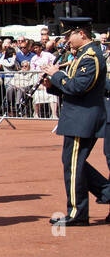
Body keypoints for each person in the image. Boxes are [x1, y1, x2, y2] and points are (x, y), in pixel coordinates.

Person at [41, 18, 108, 226]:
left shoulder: (91, 57)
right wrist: (51, 83)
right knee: (72, 163)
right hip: (77, 116)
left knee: (73, 165)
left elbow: (78, 87)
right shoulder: (81, 56)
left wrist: (57, 75)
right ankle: (105, 191)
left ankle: (77, 212)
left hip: (83, 117)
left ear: (82, 33)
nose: (67, 40)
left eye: (69, 35)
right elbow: (70, 84)